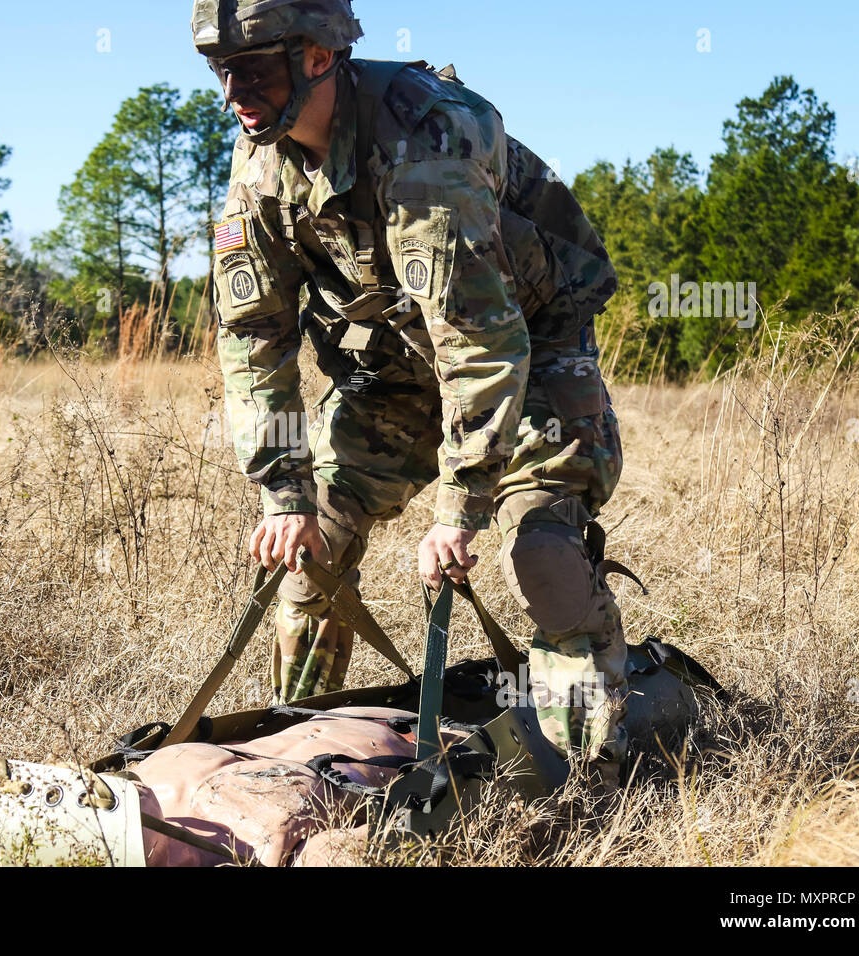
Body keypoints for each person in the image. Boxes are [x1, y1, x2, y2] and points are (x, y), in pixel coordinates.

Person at [193, 0, 627, 789]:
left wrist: (460, 508)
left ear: (319, 56)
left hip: (527, 355)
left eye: (252, 68)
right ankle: (304, 763)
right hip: (392, 369)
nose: (232, 92)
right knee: (304, 559)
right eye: (220, 70)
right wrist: (284, 492)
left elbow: (481, 344)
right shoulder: (259, 165)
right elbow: (253, 340)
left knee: (542, 556)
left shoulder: (426, 141)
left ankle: (594, 773)